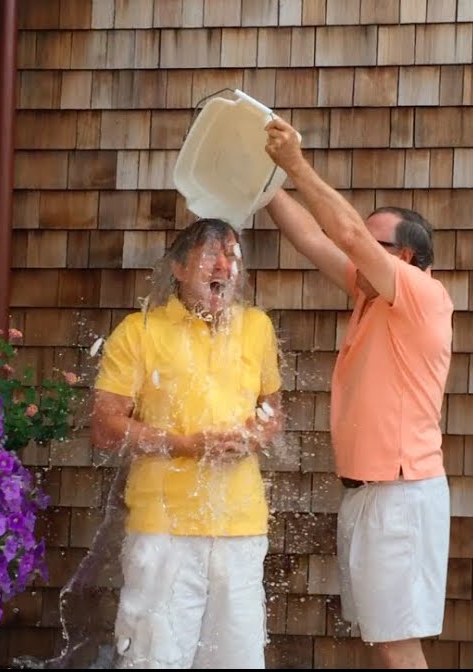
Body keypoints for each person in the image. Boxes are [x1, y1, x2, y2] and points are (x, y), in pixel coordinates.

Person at [262, 116, 454, 669]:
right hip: (374, 494)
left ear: (405, 258)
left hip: (400, 494)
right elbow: (311, 237)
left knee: (399, 645)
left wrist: (295, 163)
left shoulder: (420, 295)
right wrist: (265, 181)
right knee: (382, 638)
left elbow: (344, 233)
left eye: (374, 242)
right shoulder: (371, 293)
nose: (357, 248)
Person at [88, 218, 284, 669]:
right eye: (211, 255)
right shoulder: (139, 331)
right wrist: (183, 444)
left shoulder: (257, 326)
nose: (224, 266)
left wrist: (254, 435)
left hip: (242, 527)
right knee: (155, 661)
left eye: (232, 256)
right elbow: (105, 427)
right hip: (164, 530)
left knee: (237, 662)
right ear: (178, 268)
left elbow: (272, 412)